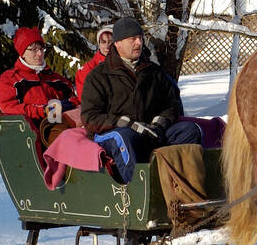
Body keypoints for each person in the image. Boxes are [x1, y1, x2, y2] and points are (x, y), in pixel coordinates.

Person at [80, 16, 202, 184]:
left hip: (151, 131)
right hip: (113, 133)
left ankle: (184, 189)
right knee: (123, 137)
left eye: (140, 38)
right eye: (132, 39)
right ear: (118, 43)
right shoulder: (99, 76)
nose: (138, 42)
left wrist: (160, 123)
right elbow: (90, 117)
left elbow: (171, 103)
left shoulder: (154, 72)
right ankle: (138, 193)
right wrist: (127, 124)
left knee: (189, 130)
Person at [0, 27, 77, 125]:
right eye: (33, 49)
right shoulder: (10, 79)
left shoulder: (56, 78)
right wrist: (43, 110)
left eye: (41, 48)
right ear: (22, 53)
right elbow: (9, 108)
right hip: (33, 132)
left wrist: (71, 103)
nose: (39, 53)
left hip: (64, 125)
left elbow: (75, 99)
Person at [75, 22, 113, 99]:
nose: (107, 46)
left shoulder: (126, 64)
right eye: (103, 42)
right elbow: (86, 100)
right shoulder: (88, 69)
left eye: (110, 42)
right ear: (99, 44)